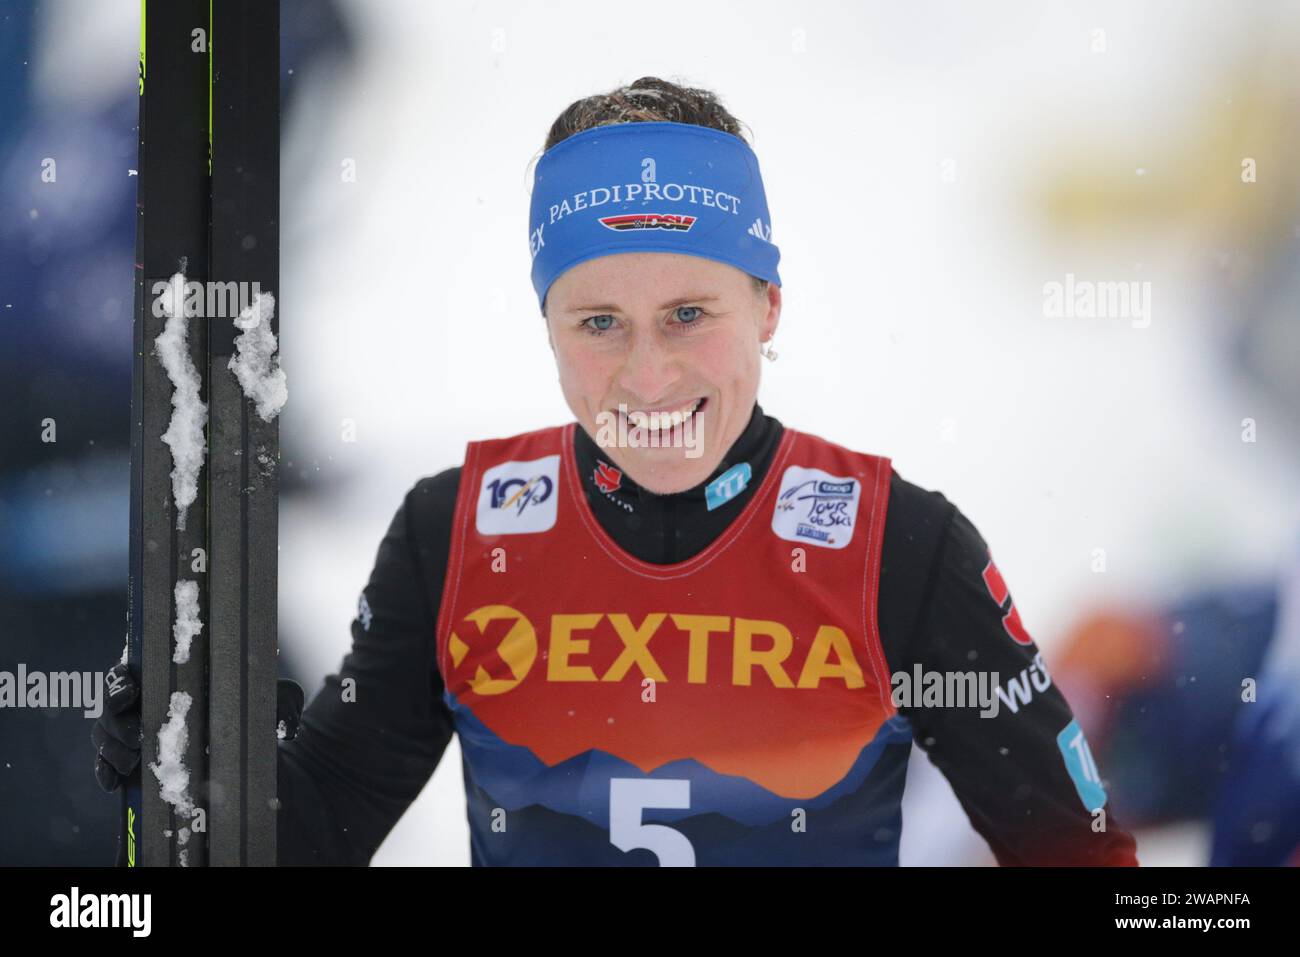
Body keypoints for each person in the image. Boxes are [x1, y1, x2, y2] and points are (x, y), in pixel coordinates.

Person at [97, 76, 1138, 866]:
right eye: (600, 323)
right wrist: (196, 767)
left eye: (689, 314)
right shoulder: (454, 534)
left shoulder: (895, 544)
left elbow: (1082, 859)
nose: (648, 375)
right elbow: (314, 825)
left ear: (767, 305)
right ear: (546, 321)